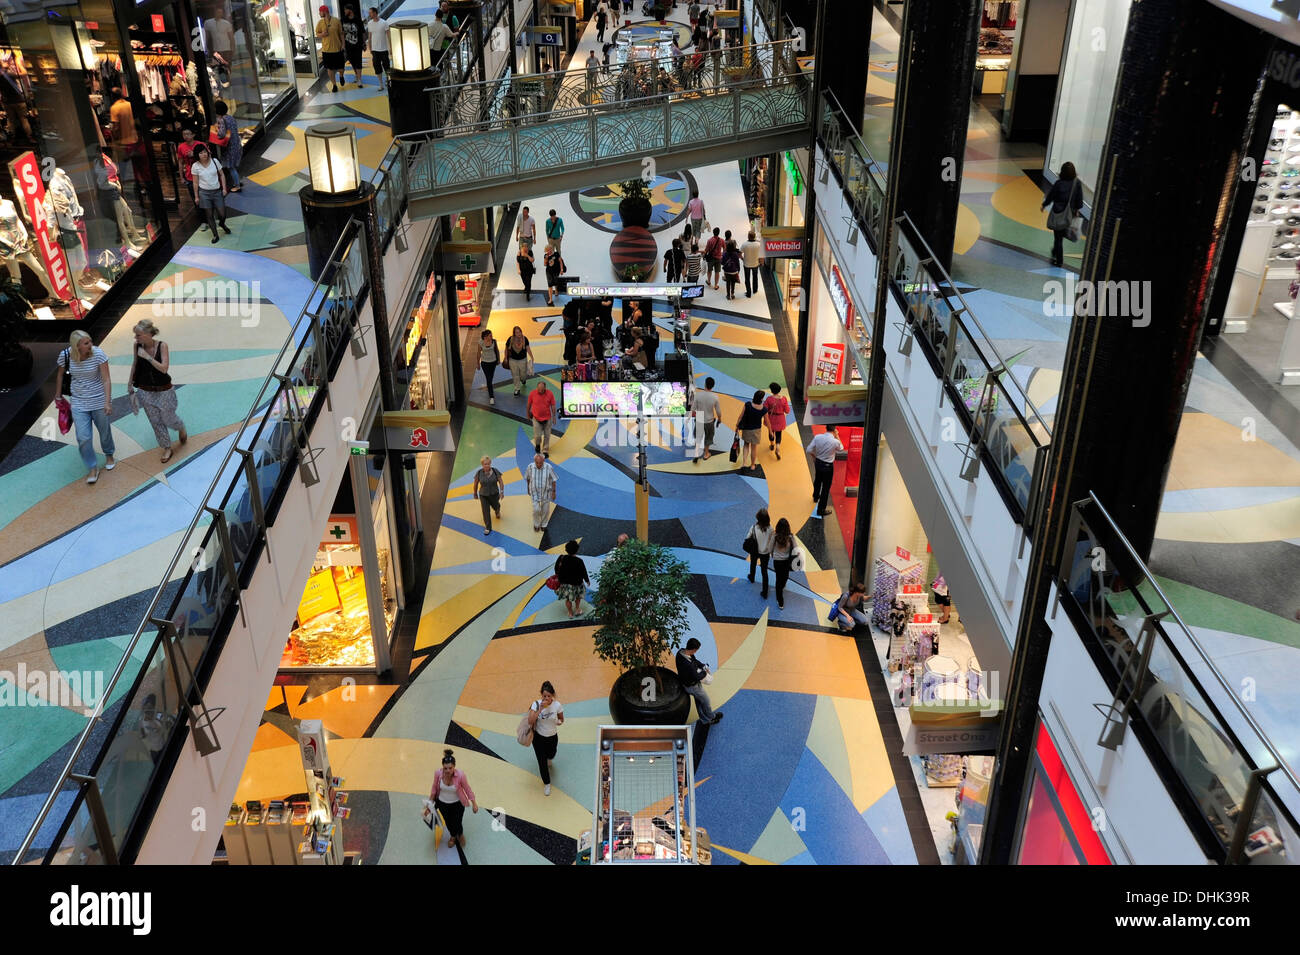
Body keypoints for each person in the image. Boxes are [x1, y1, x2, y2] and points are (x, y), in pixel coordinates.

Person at [55, 330, 115, 484]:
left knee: (104, 430)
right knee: (83, 437)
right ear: (77, 346)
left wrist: (107, 402)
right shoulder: (66, 356)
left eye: (90, 341)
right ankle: (92, 467)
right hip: (78, 402)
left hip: (98, 399)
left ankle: (109, 454)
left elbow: (106, 379)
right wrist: (58, 395)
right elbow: (60, 375)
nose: (91, 345)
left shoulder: (98, 354)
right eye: (86, 343)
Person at [127, 319, 187, 464]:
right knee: (155, 421)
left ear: (148, 334)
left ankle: (180, 427)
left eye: (138, 335)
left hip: (164, 390)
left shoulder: (162, 346)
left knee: (168, 418)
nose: (136, 338)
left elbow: (164, 368)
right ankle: (167, 447)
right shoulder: (137, 347)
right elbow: (135, 364)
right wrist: (129, 383)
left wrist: (147, 357)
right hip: (145, 390)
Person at [430, 749, 478, 848]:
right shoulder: (438, 774)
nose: (448, 771)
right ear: (442, 767)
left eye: (450, 768)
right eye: (445, 768)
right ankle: (455, 834)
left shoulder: (460, 775)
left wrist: (474, 803)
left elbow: (467, 789)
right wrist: (429, 804)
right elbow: (434, 789)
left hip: (457, 804)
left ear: (454, 767)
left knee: (457, 821)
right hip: (443, 804)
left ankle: (457, 835)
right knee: (448, 822)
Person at [1040, 161, 1083, 268]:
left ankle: (1059, 260)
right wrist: (1077, 209)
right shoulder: (1076, 183)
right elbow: (1079, 199)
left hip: (1058, 214)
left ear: (1062, 172)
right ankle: (1055, 251)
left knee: (1058, 238)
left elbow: (1051, 196)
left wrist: (1044, 205)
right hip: (1070, 214)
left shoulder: (1059, 184)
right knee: (1061, 235)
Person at [527, 681, 564, 795]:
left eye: (549, 696)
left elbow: (562, 719)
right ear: (541, 695)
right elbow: (530, 721)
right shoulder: (536, 704)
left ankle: (549, 758)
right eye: (544, 696)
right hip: (538, 738)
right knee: (542, 761)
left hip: (552, 736)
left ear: (552, 695)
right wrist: (540, 709)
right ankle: (547, 783)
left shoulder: (557, 705)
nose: (546, 698)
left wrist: (559, 722)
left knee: (551, 754)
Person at [675, 638, 721, 724]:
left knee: (699, 702)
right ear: (693, 650)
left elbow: (695, 661)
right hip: (692, 686)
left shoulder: (681, 652)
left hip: (688, 682)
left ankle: (705, 719)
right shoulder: (687, 665)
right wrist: (705, 672)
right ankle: (712, 717)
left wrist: (702, 665)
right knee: (706, 701)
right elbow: (696, 676)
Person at [191, 146, 230, 242]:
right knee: (209, 215)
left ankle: (222, 223)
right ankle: (215, 235)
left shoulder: (215, 161)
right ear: (197, 155)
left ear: (208, 152)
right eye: (200, 153)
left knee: (222, 214)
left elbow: (222, 174)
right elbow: (195, 182)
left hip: (217, 191)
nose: (203, 154)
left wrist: (224, 188)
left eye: (205, 152)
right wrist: (196, 196)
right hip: (204, 193)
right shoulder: (195, 166)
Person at [805, 424, 843, 517]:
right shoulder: (835, 442)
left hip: (818, 463)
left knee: (817, 480)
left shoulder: (818, 437)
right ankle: (821, 509)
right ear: (834, 430)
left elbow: (809, 449)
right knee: (826, 488)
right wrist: (837, 435)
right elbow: (841, 448)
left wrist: (814, 457)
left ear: (826, 428)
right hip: (828, 466)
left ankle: (815, 496)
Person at [554, 539, 590, 618]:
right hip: (577, 584)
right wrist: (587, 580)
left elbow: (556, 569)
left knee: (568, 599)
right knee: (578, 597)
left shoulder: (561, 558)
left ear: (566, 549)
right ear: (576, 550)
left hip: (565, 584)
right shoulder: (579, 561)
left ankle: (570, 613)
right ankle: (577, 609)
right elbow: (583, 572)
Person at [211, 102, 242, 193]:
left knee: (231, 167)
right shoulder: (230, 117)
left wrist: (215, 130)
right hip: (236, 144)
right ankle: (237, 182)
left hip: (229, 146)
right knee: (234, 166)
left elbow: (221, 134)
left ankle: (237, 186)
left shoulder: (221, 120)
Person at [745, 507, 775, 598]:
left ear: (758, 518)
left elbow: (747, 538)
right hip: (765, 553)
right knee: (764, 571)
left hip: (755, 551)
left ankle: (752, 577)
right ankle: (765, 592)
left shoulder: (754, 528)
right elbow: (772, 540)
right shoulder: (770, 529)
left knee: (753, 563)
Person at [316, 5, 346, 92]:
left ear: (324, 11)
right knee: (329, 69)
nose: (319, 13)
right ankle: (334, 85)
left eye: (320, 11)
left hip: (337, 48)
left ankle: (341, 76)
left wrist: (343, 44)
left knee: (341, 68)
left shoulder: (336, 21)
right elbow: (317, 34)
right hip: (326, 50)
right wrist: (322, 35)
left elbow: (341, 33)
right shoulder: (320, 22)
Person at [472, 455, 505, 535]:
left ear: (490, 463)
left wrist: (502, 491)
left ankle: (497, 511)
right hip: (483, 495)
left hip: (494, 493)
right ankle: (488, 527)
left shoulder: (495, 471)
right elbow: (475, 483)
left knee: (496, 505)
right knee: (485, 511)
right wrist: (475, 493)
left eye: (488, 464)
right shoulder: (479, 473)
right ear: (482, 465)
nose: (486, 465)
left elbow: (501, 481)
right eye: (484, 464)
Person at [770, 517, 798, 610]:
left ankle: (780, 601)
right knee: (785, 576)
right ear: (788, 527)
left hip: (777, 562)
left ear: (777, 527)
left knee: (778, 579)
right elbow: (797, 550)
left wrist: (773, 555)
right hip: (787, 562)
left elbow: (770, 548)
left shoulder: (775, 536)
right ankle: (783, 585)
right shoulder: (790, 537)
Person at [525, 451, 557, 531]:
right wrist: (528, 488)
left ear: (543, 461)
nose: (538, 464)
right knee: (536, 510)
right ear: (534, 461)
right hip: (534, 491)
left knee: (545, 510)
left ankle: (544, 524)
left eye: (540, 463)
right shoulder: (530, 467)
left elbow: (554, 480)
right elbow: (528, 478)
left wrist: (553, 492)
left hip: (546, 492)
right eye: (537, 462)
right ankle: (536, 524)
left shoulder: (549, 467)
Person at [735, 389, 766, 470]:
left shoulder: (748, 405)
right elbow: (767, 421)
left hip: (746, 429)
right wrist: (770, 431)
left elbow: (740, 416)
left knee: (746, 445)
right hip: (756, 430)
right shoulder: (763, 409)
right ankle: (752, 465)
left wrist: (737, 426)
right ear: (761, 399)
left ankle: (744, 463)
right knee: (754, 448)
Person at [692, 376, 721, 461]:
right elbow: (718, 411)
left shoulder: (698, 395)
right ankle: (706, 454)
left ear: (705, 384)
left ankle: (696, 453)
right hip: (709, 421)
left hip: (699, 419)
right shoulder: (715, 397)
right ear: (713, 386)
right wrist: (719, 419)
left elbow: (693, 409)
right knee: (708, 437)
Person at [176, 126, 202, 221]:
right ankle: (202, 220)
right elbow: (180, 162)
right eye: (184, 134)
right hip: (190, 177)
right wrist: (181, 177)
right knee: (196, 199)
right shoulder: (181, 147)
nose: (185, 136)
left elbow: (208, 157)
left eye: (188, 134)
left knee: (206, 197)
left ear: (193, 135)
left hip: (202, 175)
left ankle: (209, 217)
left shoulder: (200, 144)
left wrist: (194, 154)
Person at [763, 382, 789, 460]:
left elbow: (764, 409)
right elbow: (787, 411)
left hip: (771, 418)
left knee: (771, 432)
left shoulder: (769, 399)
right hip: (780, 418)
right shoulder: (784, 399)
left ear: (771, 390)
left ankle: (772, 445)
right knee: (779, 433)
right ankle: (777, 447)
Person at [365, 7, 390, 89]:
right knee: (377, 66)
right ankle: (381, 84)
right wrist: (370, 47)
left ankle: (388, 80)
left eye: (371, 13)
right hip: (375, 50)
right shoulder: (369, 23)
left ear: (375, 13)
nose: (369, 14)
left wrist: (391, 47)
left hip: (384, 49)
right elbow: (370, 36)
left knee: (386, 66)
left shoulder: (384, 23)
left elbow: (389, 35)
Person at [505, 325, 533, 395]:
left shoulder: (525, 339)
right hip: (512, 360)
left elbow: (528, 348)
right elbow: (506, 348)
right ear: (514, 333)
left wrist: (532, 357)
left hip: (522, 360)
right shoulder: (510, 339)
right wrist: (505, 357)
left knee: (523, 374)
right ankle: (517, 389)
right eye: (517, 332)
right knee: (515, 375)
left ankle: (523, 380)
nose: (519, 334)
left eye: (519, 332)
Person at [341, 6, 365, 86]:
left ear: (350, 10)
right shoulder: (343, 20)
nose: (344, 11)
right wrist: (343, 44)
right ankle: (356, 75)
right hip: (348, 45)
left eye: (346, 10)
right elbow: (342, 33)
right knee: (352, 61)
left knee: (358, 61)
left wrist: (364, 43)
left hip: (357, 44)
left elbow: (363, 32)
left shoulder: (358, 20)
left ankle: (359, 79)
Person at [478, 328, 500, 405]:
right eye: (490, 335)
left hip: (493, 362)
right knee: (488, 378)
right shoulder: (481, 342)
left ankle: (489, 387)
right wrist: (477, 363)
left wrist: (498, 360)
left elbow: (497, 350)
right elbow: (478, 353)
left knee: (490, 377)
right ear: (485, 336)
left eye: (491, 335)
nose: (491, 337)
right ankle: (491, 397)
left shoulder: (494, 341)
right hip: (484, 363)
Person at [741, 229, 762, 297]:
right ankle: (755, 290)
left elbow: (739, 253)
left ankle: (748, 292)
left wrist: (742, 259)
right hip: (755, 264)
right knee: (755, 277)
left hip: (746, 264)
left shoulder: (744, 244)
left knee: (747, 279)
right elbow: (761, 255)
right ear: (754, 237)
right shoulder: (758, 244)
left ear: (748, 236)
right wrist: (761, 262)